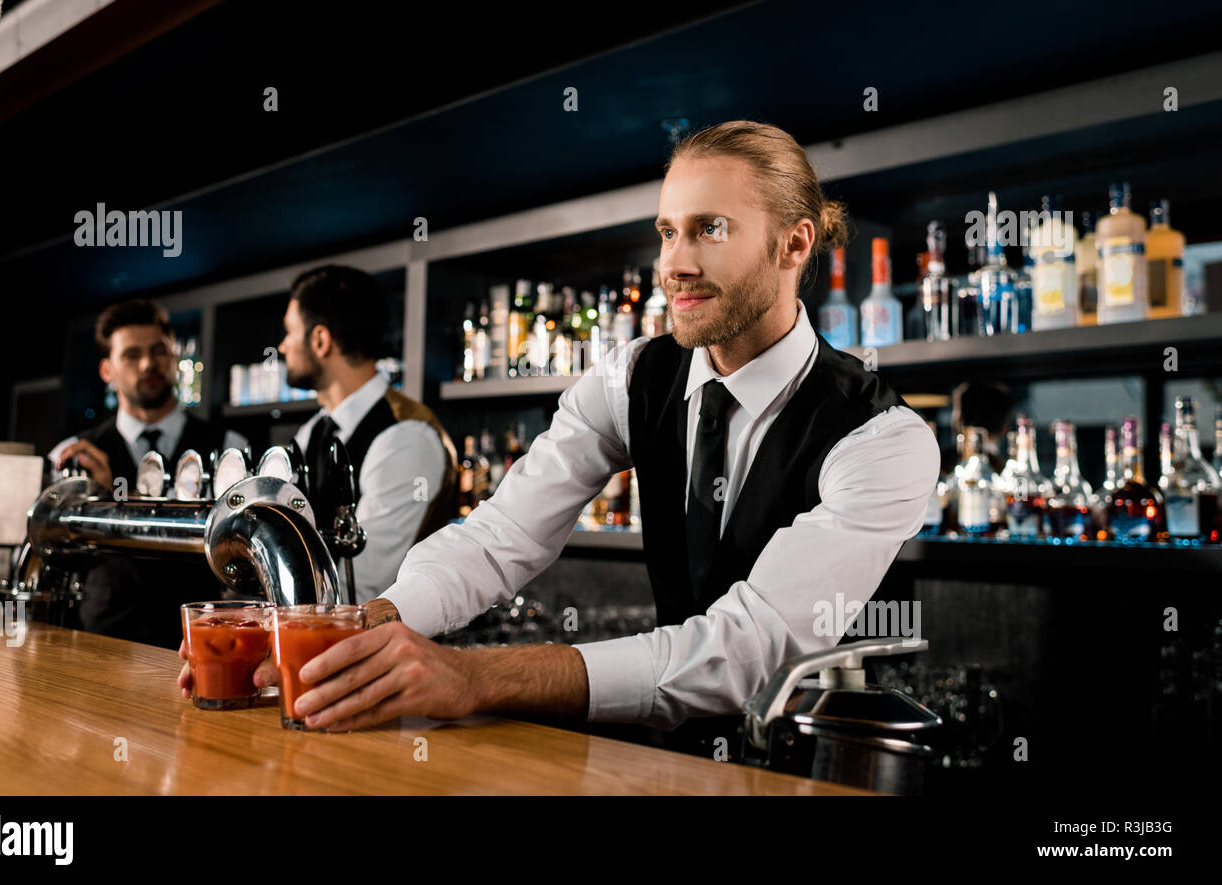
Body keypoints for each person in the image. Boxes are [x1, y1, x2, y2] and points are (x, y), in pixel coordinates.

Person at [179, 121, 940, 754]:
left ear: (794, 245)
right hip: (658, 756)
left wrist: (473, 676)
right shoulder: (631, 378)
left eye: (710, 229)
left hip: (801, 761)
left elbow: (746, 650)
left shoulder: (883, 438)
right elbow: (501, 534)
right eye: (667, 231)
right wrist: (370, 621)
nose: (674, 264)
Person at [49, 299, 248, 647]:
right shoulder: (73, 455)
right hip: (102, 641)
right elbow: (55, 556)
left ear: (174, 359)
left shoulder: (230, 447)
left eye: (159, 351)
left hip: (199, 641)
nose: (147, 363)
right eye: (131, 355)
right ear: (106, 370)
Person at [279, 265, 456, 602]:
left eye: (289, 332)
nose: (283, 346)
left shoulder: (406, 436)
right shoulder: (313, 431)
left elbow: (360, 585)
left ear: (320, 340)